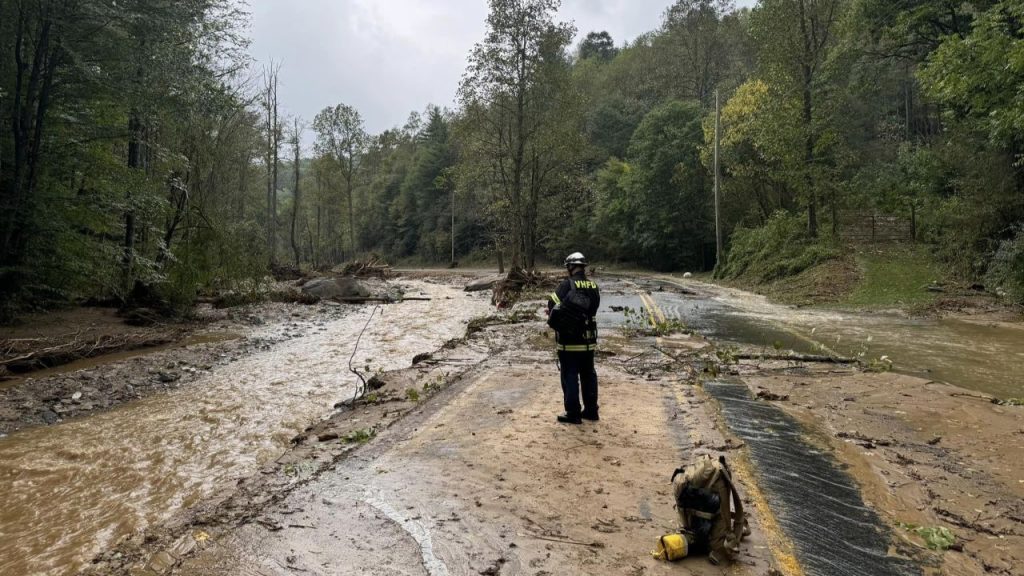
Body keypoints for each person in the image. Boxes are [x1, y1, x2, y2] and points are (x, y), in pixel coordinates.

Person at [547, 252, 601, 424]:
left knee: (569, 375)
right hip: (589, 340)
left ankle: (573, 413)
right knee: (588, 374)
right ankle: (591, 411)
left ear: (570, 267)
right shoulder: (593, 287)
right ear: (583, 267)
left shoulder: (566, 285)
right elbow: (594, 308)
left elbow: (551, 304)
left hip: (569, 341)